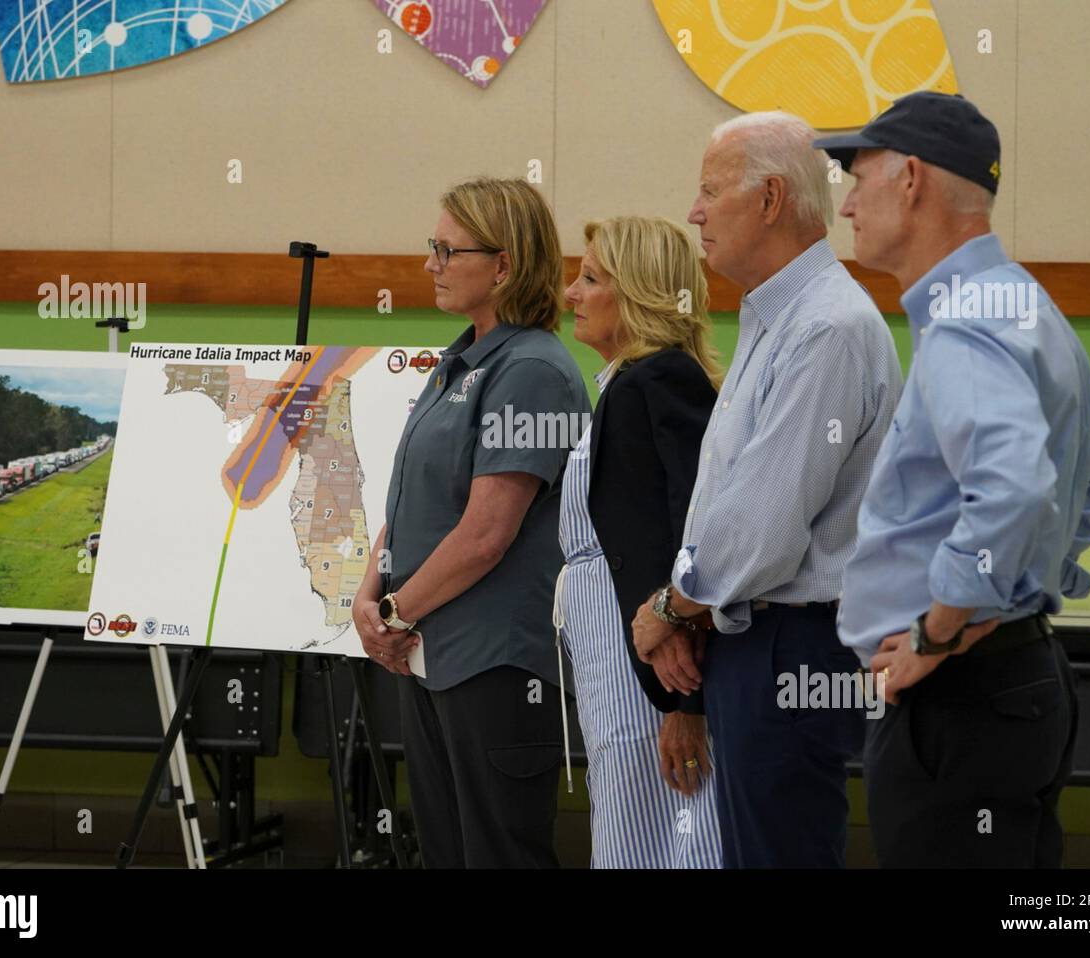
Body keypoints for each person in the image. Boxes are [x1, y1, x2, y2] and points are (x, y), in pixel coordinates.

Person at [816, 91, 1090, 867]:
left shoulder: (963, 323)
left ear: (911, 178)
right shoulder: (1023, 305)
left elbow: (1016, 488)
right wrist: (1005, 589)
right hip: (1013, 679)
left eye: (860, 176)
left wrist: (940, 627)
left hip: (958, 697)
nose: (848, 204)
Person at [631, 111, 902, 868]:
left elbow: (762, 526)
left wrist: (665, 607)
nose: (693, 212)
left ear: (771, 199)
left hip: (794, 641)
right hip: (761, 634)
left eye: (709, 191)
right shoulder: (779, 317)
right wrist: (696, 609)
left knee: (780, 854)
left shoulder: (825, 329)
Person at [352, 176, 591, 868]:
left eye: (448, 251)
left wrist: (394, 614)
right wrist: (370, 599)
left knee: (497, 855)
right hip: (433, 657)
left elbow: (487, 534)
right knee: (447, 852)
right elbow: (410, 502)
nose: (431, 264)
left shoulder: (534, 372)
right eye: (434, 247)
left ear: (506, 264)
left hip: (495, 663)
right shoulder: (459, 360)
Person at [555, 215, 723, 868]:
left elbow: (691, 537)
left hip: (652, 673)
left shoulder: (658, 381)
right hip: (620, 660)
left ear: (641, 295)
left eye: (590, 278)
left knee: (671, 831)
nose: (571, 292)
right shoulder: (626, 386)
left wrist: (685, 703)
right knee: (634, 826)